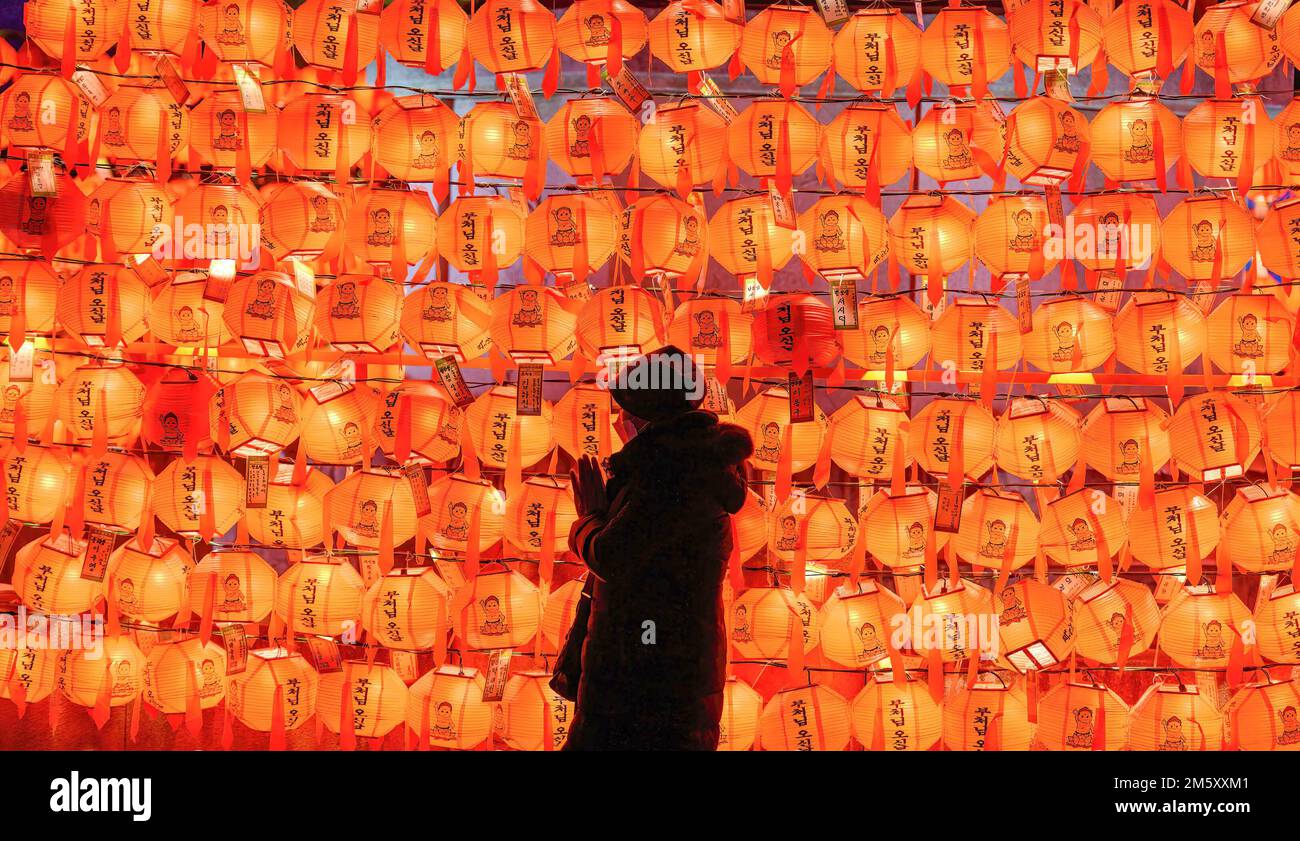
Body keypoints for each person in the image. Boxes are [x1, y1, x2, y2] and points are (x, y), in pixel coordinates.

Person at [560, 345, 753, 750]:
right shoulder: (689, 466)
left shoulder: (671, 475)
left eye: (626, 412)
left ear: (647, 419)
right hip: (665, 670)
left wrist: (588, 520)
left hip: (647, 681)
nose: (619, 422)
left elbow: (614, 556)